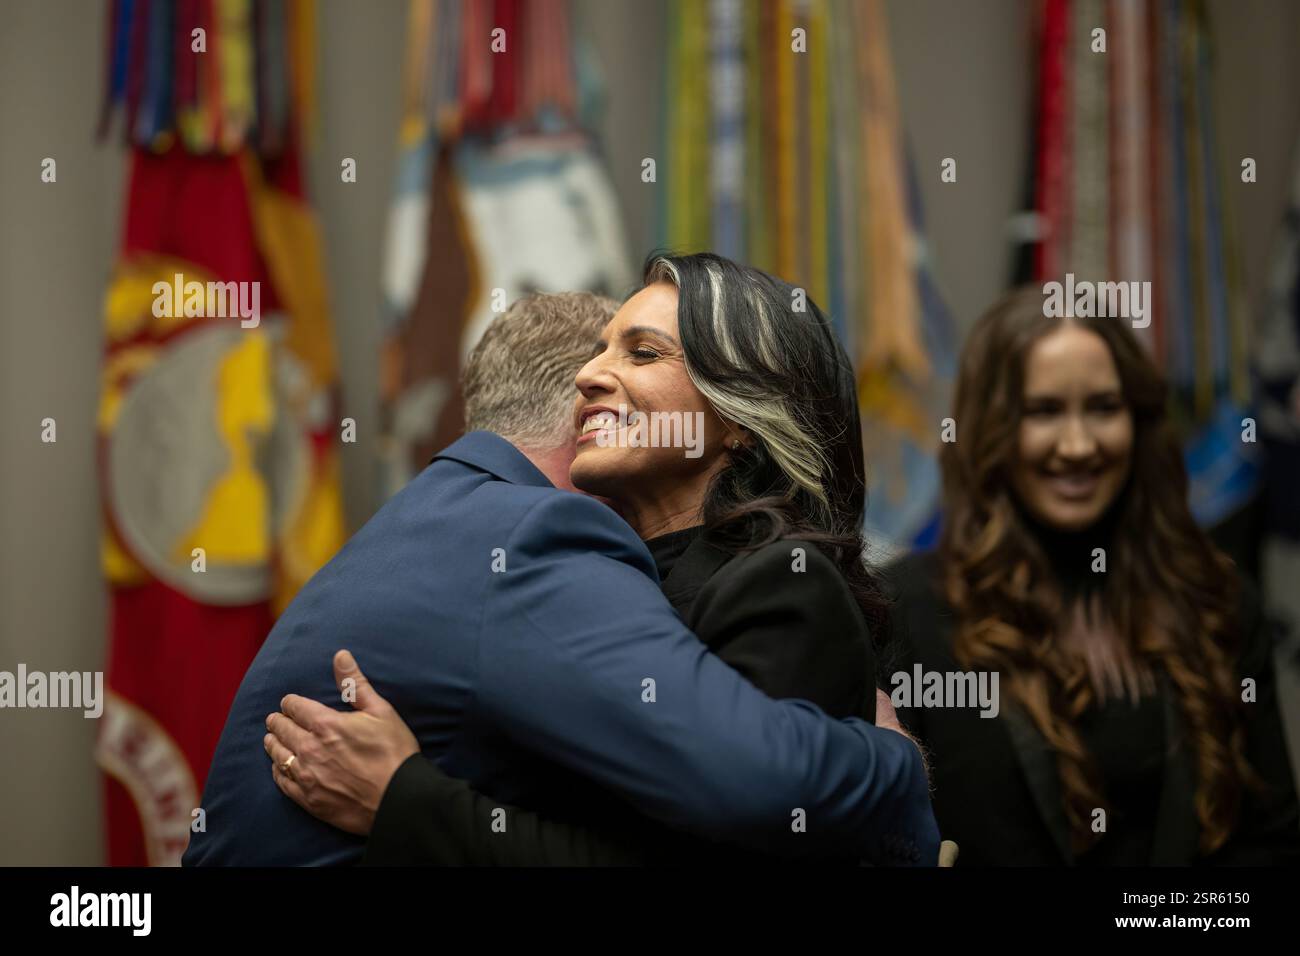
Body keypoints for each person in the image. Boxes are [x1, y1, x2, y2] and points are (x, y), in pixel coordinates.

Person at [184, 285, 937, 866]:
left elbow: (735, 820)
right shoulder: (537, 537)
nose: (591, 375)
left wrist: (406, 800)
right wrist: (892, 760)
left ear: (737, 415)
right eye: (600, 351)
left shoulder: (765, 579)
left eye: (641, 352)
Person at [884, 286, 1300, 865]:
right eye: (1044, 411)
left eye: (1104, 407)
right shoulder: (907, 611)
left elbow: (1272, 843)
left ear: (1139, 422)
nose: (1078, 445)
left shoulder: (1217, 599)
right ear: (992, 430)